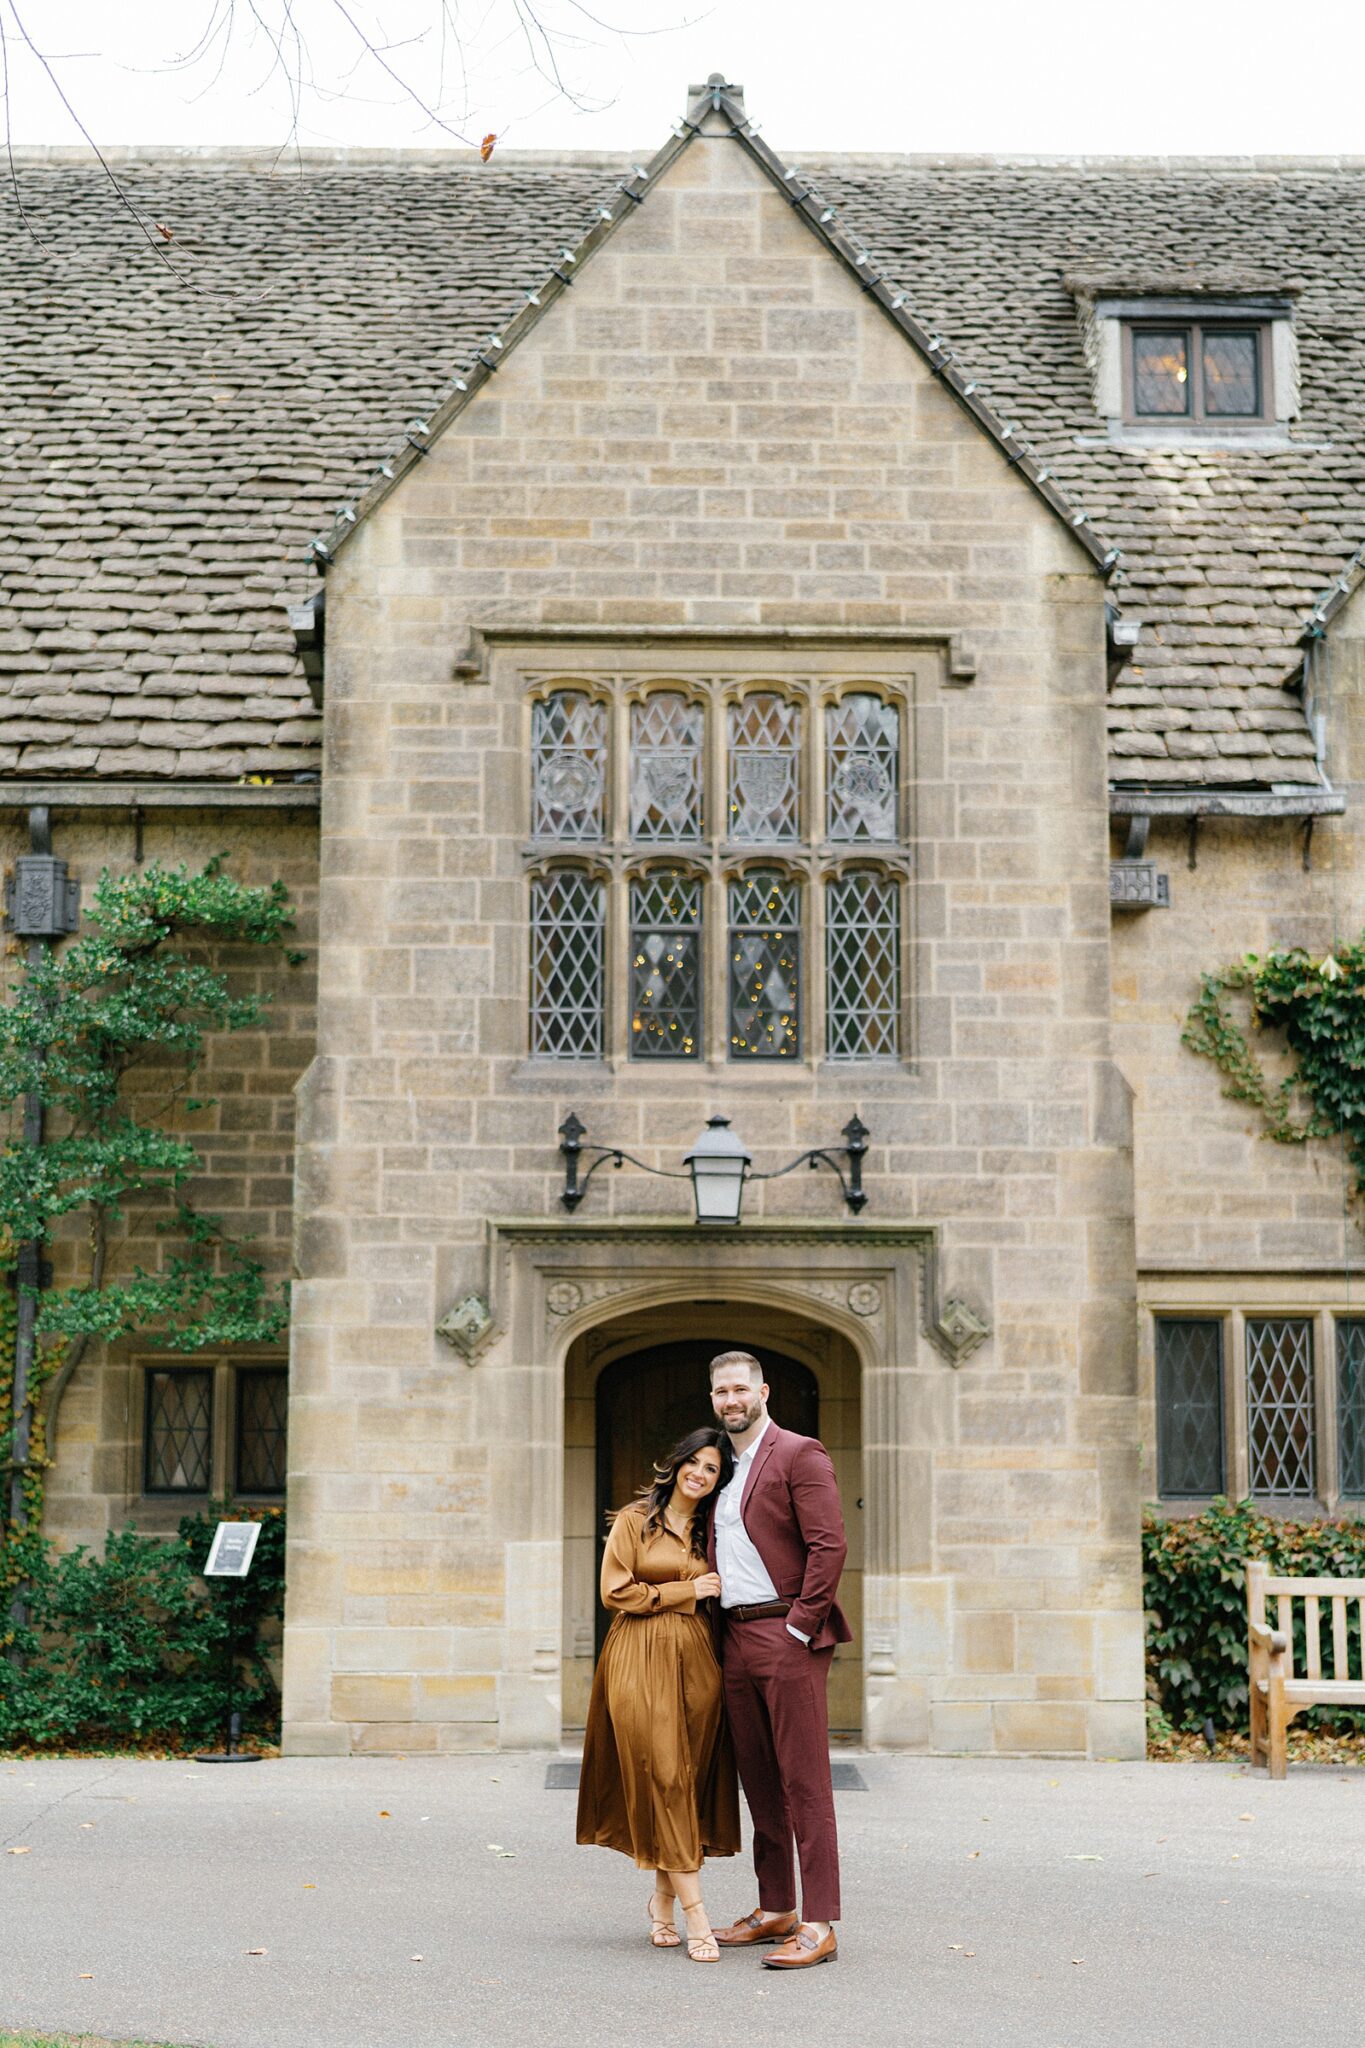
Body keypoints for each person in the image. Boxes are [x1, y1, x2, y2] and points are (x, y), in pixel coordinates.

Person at [707, 1349, 850, 1971]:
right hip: (733, 1638)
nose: (731, 1400)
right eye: (720, 1393)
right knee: (760, 1780)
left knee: (804, 1782)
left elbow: (829, 1545)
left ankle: (819, 1923)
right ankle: (776, 1908)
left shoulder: (799, 1452)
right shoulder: (722, 1466)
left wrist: (799, 1627)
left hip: (784, 1633)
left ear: (763, 1391)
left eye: (740, 1389)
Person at [576, 1426, 741, 1961]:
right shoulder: (632, 1521)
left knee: (686, 1777)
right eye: (694, 1462)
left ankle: (662, 1904)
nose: (700, 1473)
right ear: (676, 1464)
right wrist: (686, 1590)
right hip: (637, 1655)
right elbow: (615, 1591)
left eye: (712, 1468)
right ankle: (699, 1918)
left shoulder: (712, 1530)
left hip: (696, 1659)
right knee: (664, 1773)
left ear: (719, 1480)